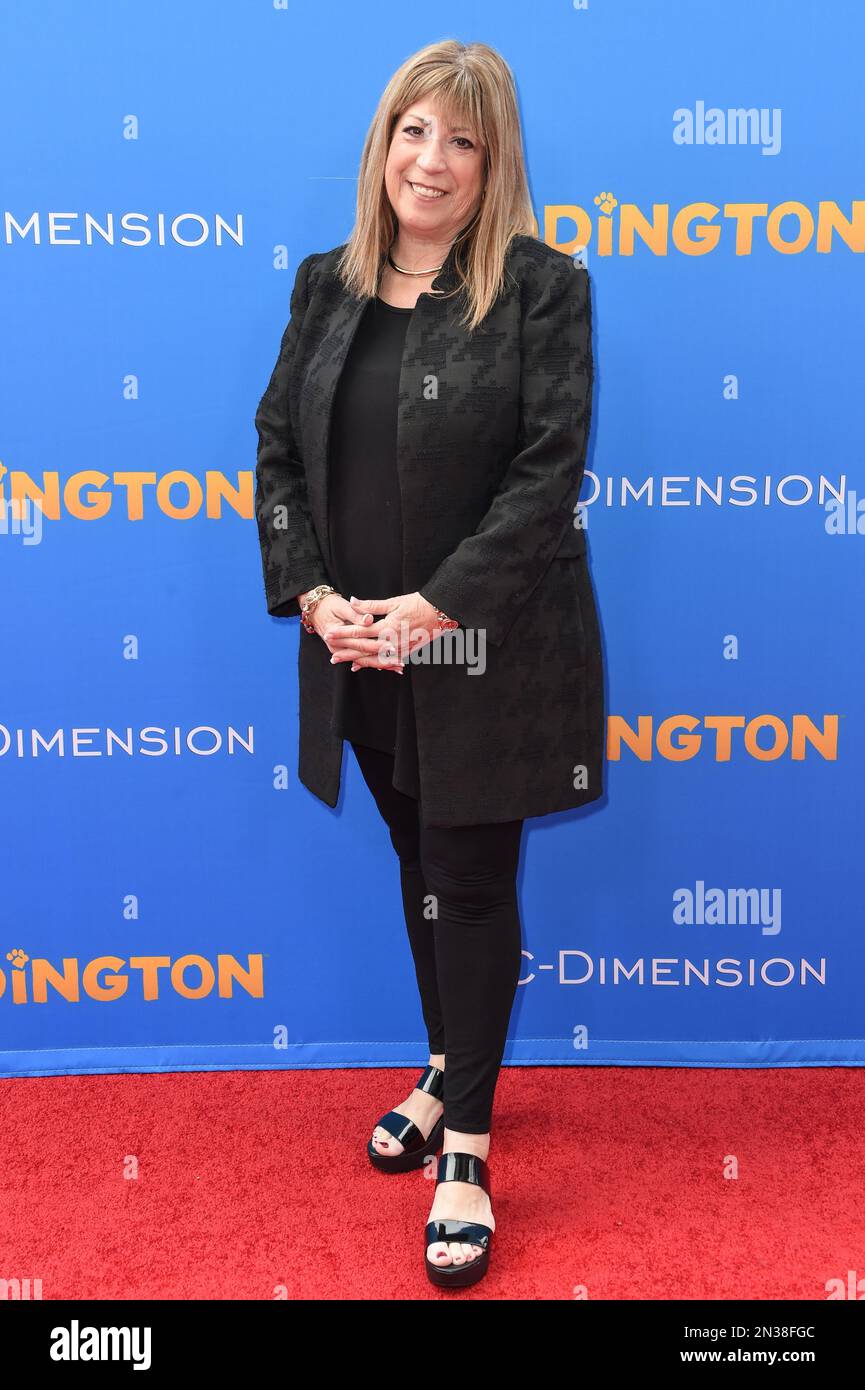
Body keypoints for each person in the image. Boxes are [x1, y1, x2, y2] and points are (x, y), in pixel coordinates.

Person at [254, 38, 603, 1289]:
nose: (432, 159)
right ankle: (450, 1059)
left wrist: (432, 605)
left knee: (468, 867)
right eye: (414, 130)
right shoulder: (323, 286)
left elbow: (545, 473)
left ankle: (465, 1146)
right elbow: (278, 451)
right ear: (382, 140)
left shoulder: (540, 288)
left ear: (493, 158)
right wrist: (314, 591)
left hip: (484, 650)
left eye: (462, 138)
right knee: (419, 863)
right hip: (359, 647)